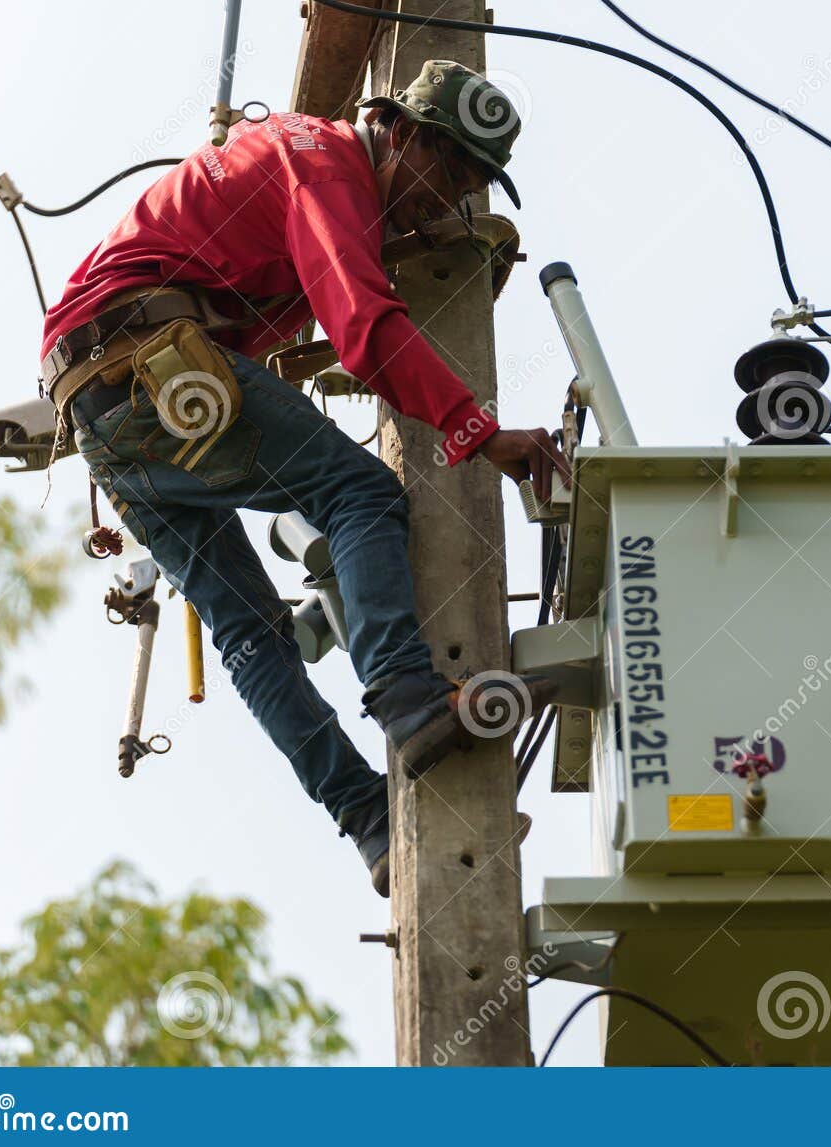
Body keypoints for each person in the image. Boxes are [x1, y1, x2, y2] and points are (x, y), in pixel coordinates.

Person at [37, 61, 560, 897]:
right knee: (358, 493)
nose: (452, 198)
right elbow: (362, 325)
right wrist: (480, 431)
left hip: (100, 406)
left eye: (472, 184)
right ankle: (406, 694)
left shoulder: (297, 164)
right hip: (147, 364)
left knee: (250, 635)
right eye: (451, 171)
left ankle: (372, 820)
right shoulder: (325, 162)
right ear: (406, 133)